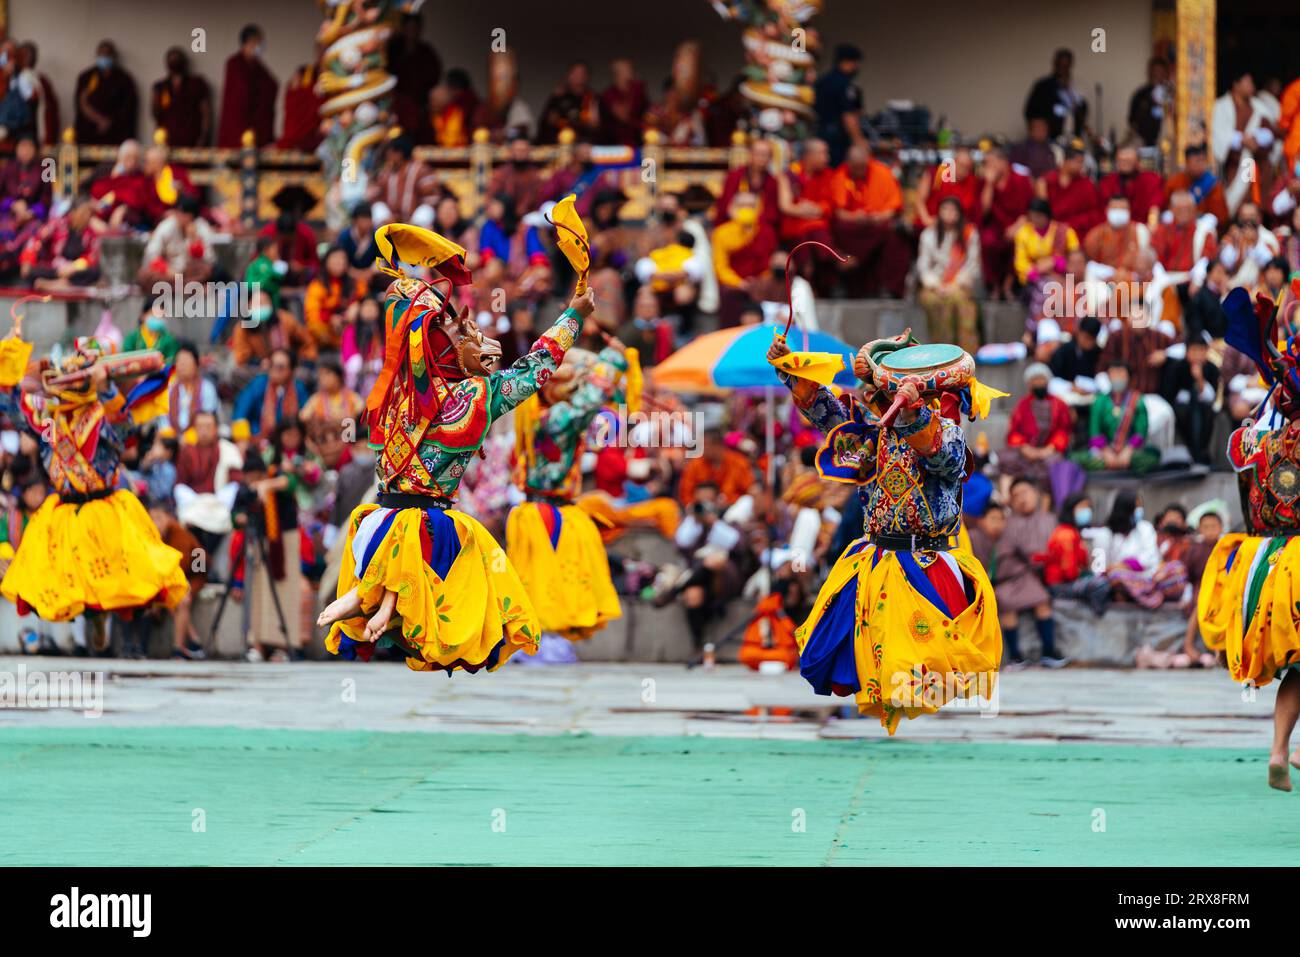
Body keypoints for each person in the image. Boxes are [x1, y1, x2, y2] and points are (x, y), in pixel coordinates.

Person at [317, 222, 597, 675]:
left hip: (375, 530)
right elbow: (535, 367)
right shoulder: (476, 399)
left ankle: (375, 599)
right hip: (429, 535)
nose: (485, 344)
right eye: (468, 336)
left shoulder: (396, 395)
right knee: (476, 571)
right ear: (446, 349)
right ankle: (382, 603)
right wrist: (574, 316)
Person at [766, 330, 1002, 732]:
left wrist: (915, 416)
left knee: (922, 669)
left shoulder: (949, 434)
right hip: (877, 561)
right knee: (838, 654)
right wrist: (791, 368)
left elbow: (943, 457)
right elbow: (828, 415)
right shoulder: (873, 434)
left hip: (926, 564)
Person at [0, 335, 187, 648]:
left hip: (104, 507)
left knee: (119, 576)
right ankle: (87, 619)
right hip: (64, 510)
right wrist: (9, 360)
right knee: (60, 579)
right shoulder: (49, 420)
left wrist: (105, 387)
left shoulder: (102, 418)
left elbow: (126, 425)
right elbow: (14, 408)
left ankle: (105, 618)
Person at [1199, 288, 1300, 790]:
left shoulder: (1252, 438)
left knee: (1297, 668)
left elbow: (1240, 465)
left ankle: (1280, 749)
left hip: (1268, 562)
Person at [507, 341, 632, 660]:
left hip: (548, 509)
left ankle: (544, 639)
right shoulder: (555, 418)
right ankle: (539, 640)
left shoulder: (543, 415)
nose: (573, 387)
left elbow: (608, 401)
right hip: (546, 512)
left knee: (553, 578)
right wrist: (611, 358)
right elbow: (590, 401)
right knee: (545, 580)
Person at [995, 478, 1065, 667]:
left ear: (1036, 494)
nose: (1021, 499)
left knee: (1042, 603)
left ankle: (1048, 651)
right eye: (1016, 495)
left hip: (1037, 575)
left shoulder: (1049, 519)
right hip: (1011, 576)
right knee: (1010, 604)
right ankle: (1016, 656)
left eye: (1025, 492)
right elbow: (1028, 551)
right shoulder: (1009, 523)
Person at [830, 142, 908, 298]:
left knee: (895, 240)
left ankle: (887, 287)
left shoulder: (882, 172)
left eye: (863, 167)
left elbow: (894, 206)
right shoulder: (840, 175)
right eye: (856, 167)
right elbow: (838, 212)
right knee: (838, 231)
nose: (860, 172)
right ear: (848, 164)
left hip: (877, 224)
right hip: (853, 226)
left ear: (869, 162)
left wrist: (880, 217)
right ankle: (843, 274)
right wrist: (855, 217)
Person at [915, 196, 981, 353]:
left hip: (960, 285)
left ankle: (966, 353)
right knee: (933, 302)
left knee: (960, 300)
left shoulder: (969, 234)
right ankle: (943, 351)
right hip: (934, 286)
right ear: (938, 212)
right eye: (945, 209)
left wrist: (955, 284)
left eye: (953, 210)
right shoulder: (928, 235)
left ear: (959, 213)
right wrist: (936, 285)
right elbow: (923, 266)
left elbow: (973, 265)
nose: (949, 213)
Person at [1071, 360, 1160, 474]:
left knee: (1153, 457)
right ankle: (1122, 468)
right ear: (1108, 377)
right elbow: (1094, 432)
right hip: (1104, 452)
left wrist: (1128, 451)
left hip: (1130, 452)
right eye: (1114, 374)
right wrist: (1107, 453)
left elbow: (1141, 432)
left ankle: (1116, 466)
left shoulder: (1137, 400)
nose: (1117, 378)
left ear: (1128, 377)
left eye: (1121, 374)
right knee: (1075, 458)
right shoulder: (1100, 401)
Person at [1000, 363, 1074, 497]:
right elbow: (1014, 432)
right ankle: (1006, 497)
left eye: (1042, 379)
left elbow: (1063, 430)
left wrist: (1050, 448)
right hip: (1026, 450)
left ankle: (1047, 502)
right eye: (1035, 380)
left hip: (1050, 450)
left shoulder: (1059, 405)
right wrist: (1025, 448)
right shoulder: (1022, 405)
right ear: (1029, 384)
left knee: (1053, 464)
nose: (1039, 383)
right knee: (1007, 459)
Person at [979, 145, 1035, 298]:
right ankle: (994, 286)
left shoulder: (1021, 179)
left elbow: (1030, 210)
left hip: (1019, 225)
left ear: (1003, 162)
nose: (988, 167)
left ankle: (1008, 285)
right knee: (987, 241)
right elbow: (984, 211)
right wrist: (989, 184)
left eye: (991, 163)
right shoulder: (985, 182)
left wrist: (1017, 226)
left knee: (1020, 240)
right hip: (995, 226)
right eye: (986, 164)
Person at [217, 24, 277, 148]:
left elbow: (272, 86)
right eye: (258, 42)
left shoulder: (258, 67)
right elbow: (241, 95)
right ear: (250, 42)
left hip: (258, 130)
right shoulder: (234, 64)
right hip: (237, 130)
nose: (261, 47)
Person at [74, 40, 138, 145]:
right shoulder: (86, 77)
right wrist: (99, 120)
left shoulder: (124, 79)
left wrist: (109, 122)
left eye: (107, 54)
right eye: (101, 54)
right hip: (89, 132)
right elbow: (81, 103)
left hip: (116, 132)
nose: (104, 58)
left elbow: (128, 106)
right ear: (97, 55)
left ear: (113, 56)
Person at [813, 43, 865, 167]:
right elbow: (849, 116)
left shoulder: (822, 81)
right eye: (855, 63)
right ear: (847, 62)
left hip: (820, 134)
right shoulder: (844, 85)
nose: (856, 67)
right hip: (838, 138)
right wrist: (860, 142)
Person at [150, 48, 212, 147]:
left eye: (177, 59)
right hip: (167, 141)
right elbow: (156, 113)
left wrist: (203, 136)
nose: (174, 62)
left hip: (192, 140)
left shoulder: (196, 84)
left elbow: (205, 113)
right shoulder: (161, 87)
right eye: (171, 60)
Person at [677, 428, 753, 507]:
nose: (701, 449)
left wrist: (729, 501)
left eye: (705, 445)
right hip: (701, 511)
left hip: (733, 510)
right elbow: (685, 494)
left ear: (718, 445)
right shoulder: (695, 465)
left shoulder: (739, 463)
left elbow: (748, 492)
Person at [1024, 48, 1087, 140]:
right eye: (1060, 66)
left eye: (1066, 66)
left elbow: (1082, 112)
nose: (1063, 70)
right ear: (1055, 65)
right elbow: (1030, 112)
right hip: (1049, 139)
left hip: (1072, 138)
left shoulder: (1075, 87)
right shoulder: (1043, 87)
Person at [1127, 57, 1171, 148]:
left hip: (1164, 141)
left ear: (1166, 74)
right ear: (1149, 72)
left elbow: (1169, 117)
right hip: (1141, 141)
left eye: (1161, 72)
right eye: (1155, 71)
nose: (1157, 74)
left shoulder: (1169, 93)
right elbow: (1132, 119)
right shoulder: (1140, 94)